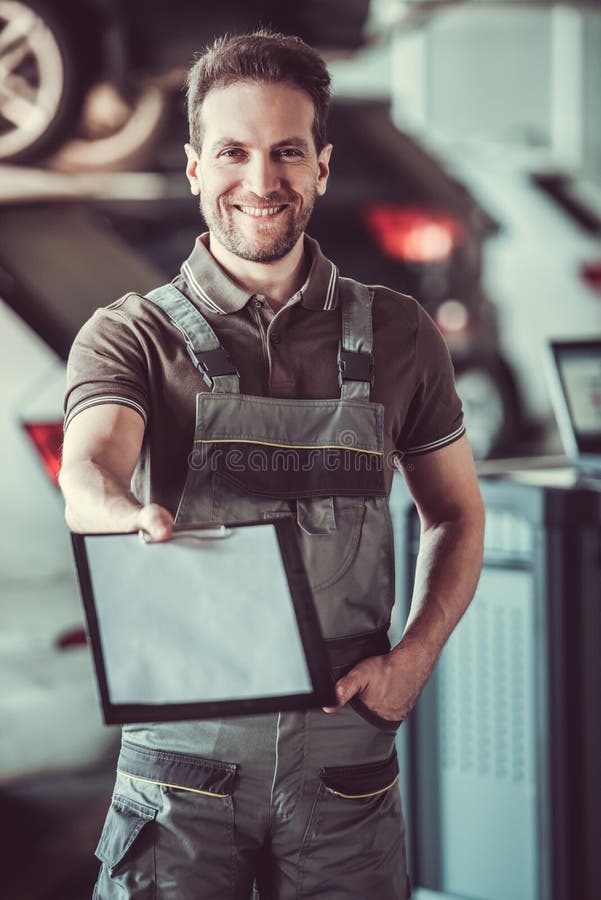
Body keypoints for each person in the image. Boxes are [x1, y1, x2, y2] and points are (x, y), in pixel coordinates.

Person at [59, 30, 484, 900]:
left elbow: (456, 513)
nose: (260, 182)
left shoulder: (401, 334)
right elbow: (89, 469)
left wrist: (413, 659)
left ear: (322, 165)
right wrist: (124, 512)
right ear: (192, 167)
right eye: (233, 153)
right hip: (184, 754)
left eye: (287, 152)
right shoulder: (130, 334)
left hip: (345, 755)